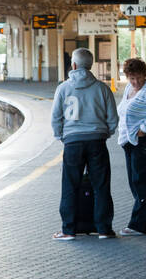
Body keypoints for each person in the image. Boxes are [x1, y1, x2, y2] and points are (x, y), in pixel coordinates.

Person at [50, 47, 119, 240]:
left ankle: (68, 230)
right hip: (97, 141)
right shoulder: (102, 88)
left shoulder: (63, 88)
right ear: (91, 65)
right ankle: (104, 229)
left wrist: (62, 137)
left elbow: (56, 117)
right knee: (101, 185)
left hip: (72, 143)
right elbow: (113, 118)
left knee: (70, 185)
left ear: (73, 65)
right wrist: (106, 133)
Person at [116, 57, 146, 236]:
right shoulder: (129, 88)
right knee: (134, 183)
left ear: (144, 74)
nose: (136, 82)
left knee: (141, 182)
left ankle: (137, 225)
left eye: (138, 77)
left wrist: (144, 129)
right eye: (131, 78)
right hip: (130, 142)